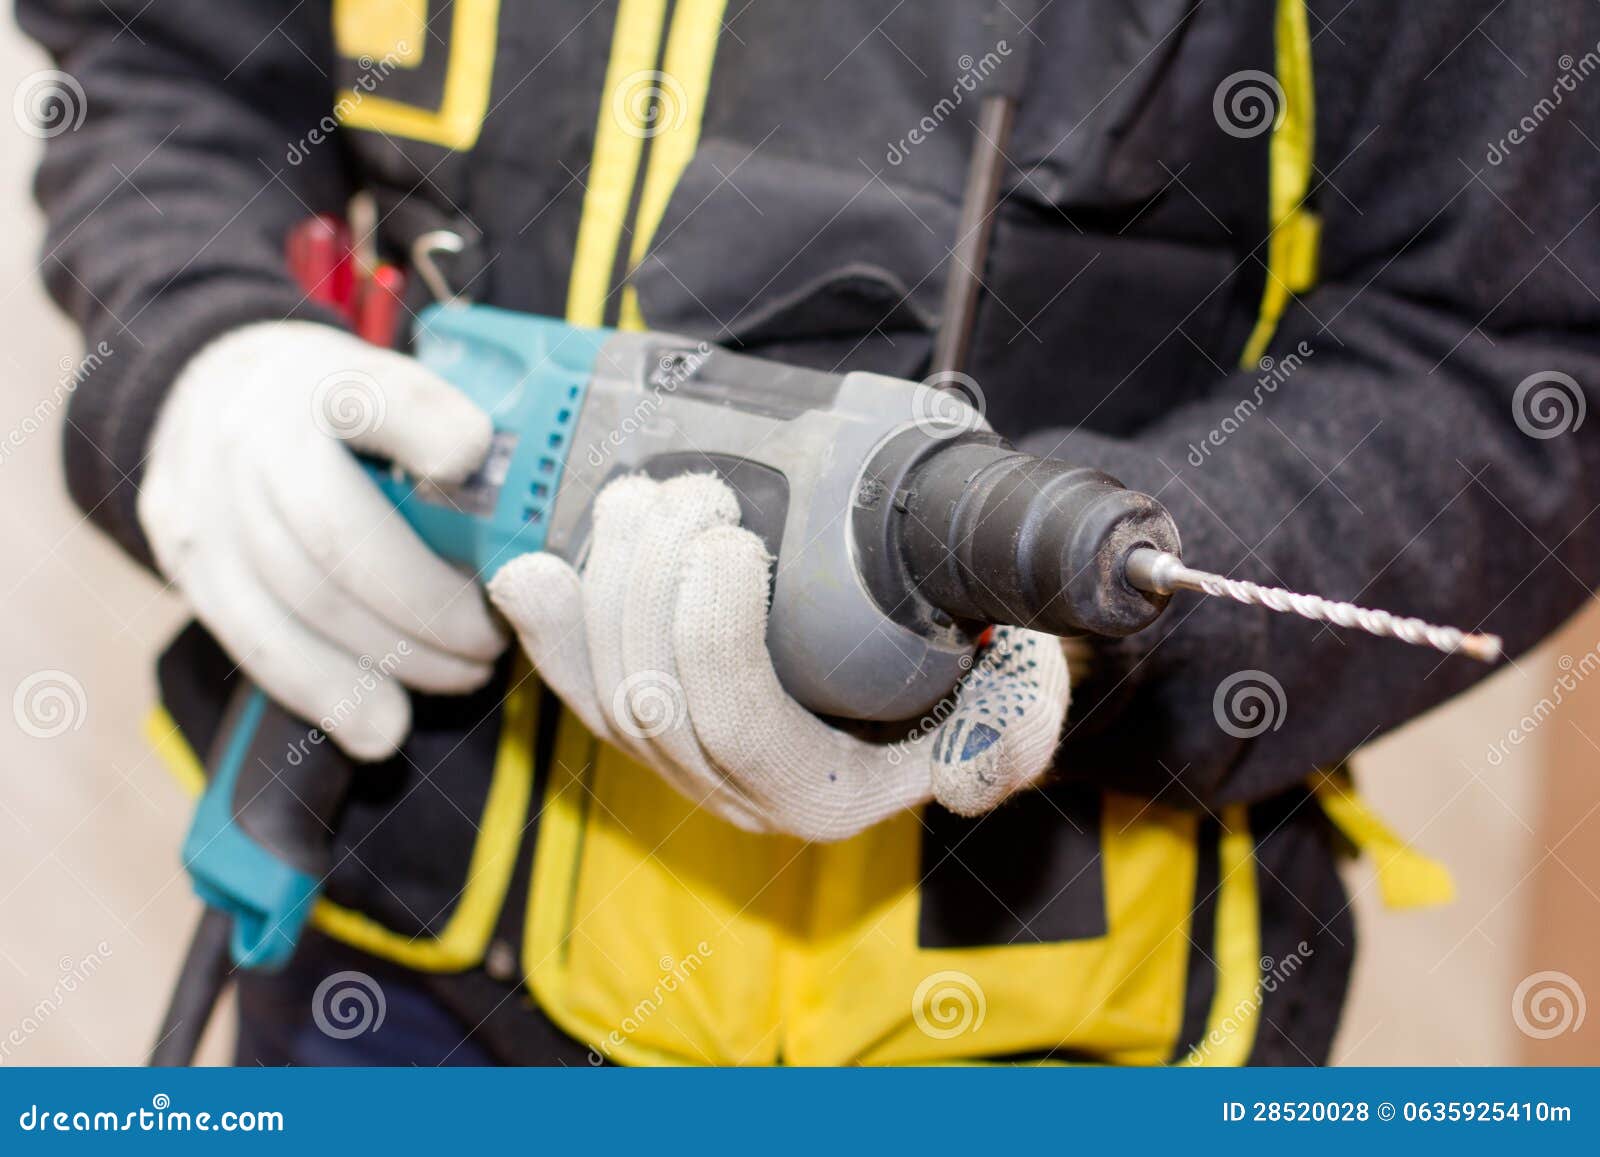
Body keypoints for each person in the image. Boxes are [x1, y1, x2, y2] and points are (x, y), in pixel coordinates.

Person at [20, 0, 1600, 1066]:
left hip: (1050, 1045)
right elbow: (164, 57)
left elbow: (1515, 349)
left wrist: (1087, 649)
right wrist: (198, 346)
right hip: (382, 962)